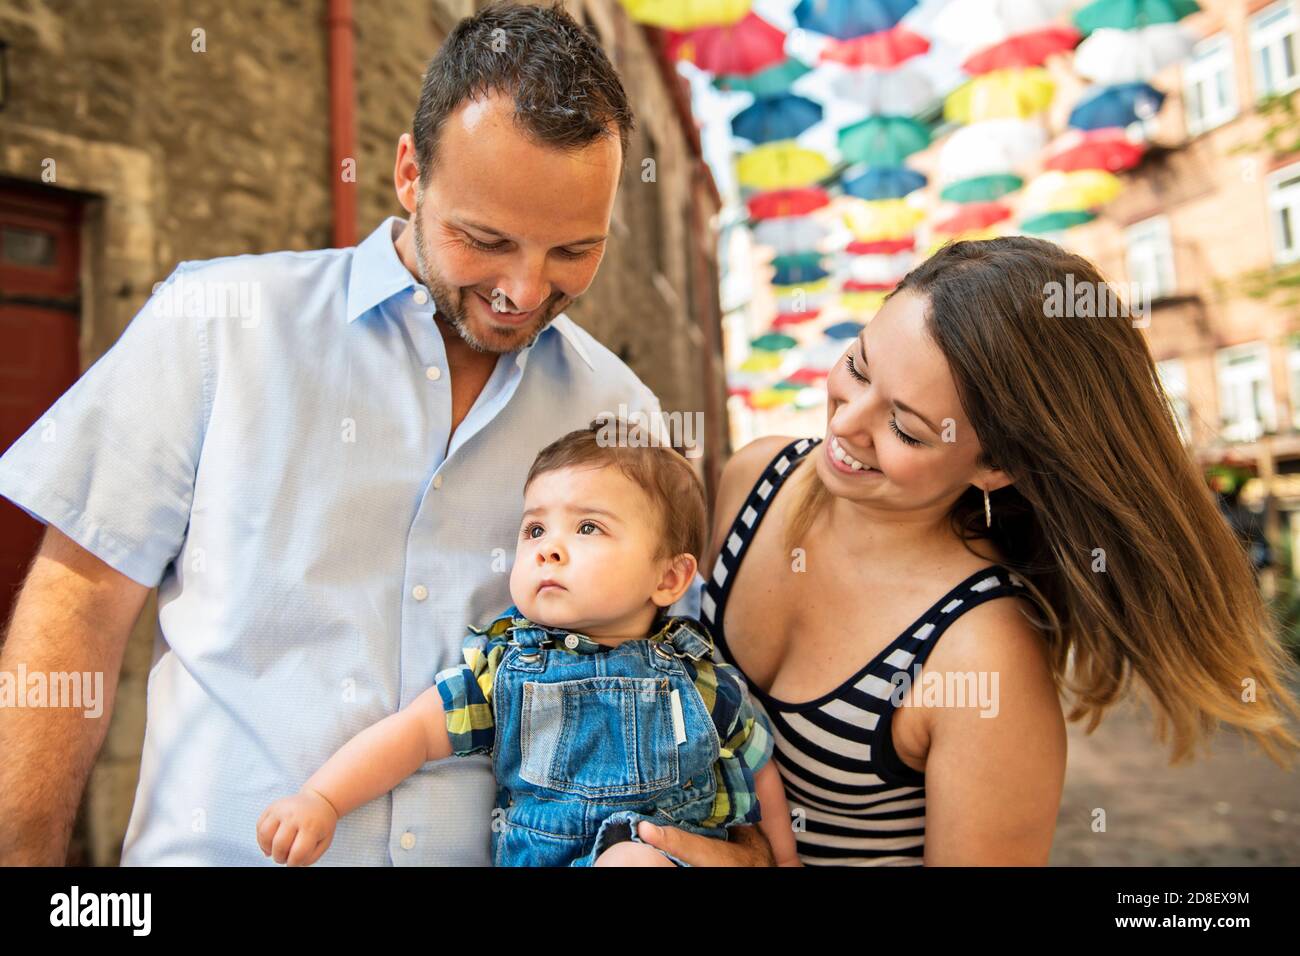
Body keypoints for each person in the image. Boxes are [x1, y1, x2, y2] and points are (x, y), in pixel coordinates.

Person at [0, 2, 771, 866]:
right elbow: (80, 604)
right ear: (409, 173)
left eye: (572, 252)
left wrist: (730, 852)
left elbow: (675, 670)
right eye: (486, 240)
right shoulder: (218, 323)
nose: (523, 289)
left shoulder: (621, 410)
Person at [635, 235, 1300, 867]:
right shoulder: (757, 473)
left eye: (904, 427)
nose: (845, 422)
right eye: (859, 365)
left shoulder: (983, 655)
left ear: (996, 466)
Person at [256, 421, 799, 866]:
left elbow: (758, 765)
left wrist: (784, 861)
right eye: (535, 530)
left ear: (669, 579)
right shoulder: (509, 667)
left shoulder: (699, 678)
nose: (549, 550)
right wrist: (322, 799)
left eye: (588, 528)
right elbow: (414, 734)